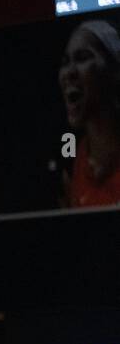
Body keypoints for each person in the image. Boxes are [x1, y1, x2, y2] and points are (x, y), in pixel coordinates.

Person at [58, 20, 120, 208]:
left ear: (114, 71)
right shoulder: (74, 162)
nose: (69, 72)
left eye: (83, 58)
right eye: (65, 62)